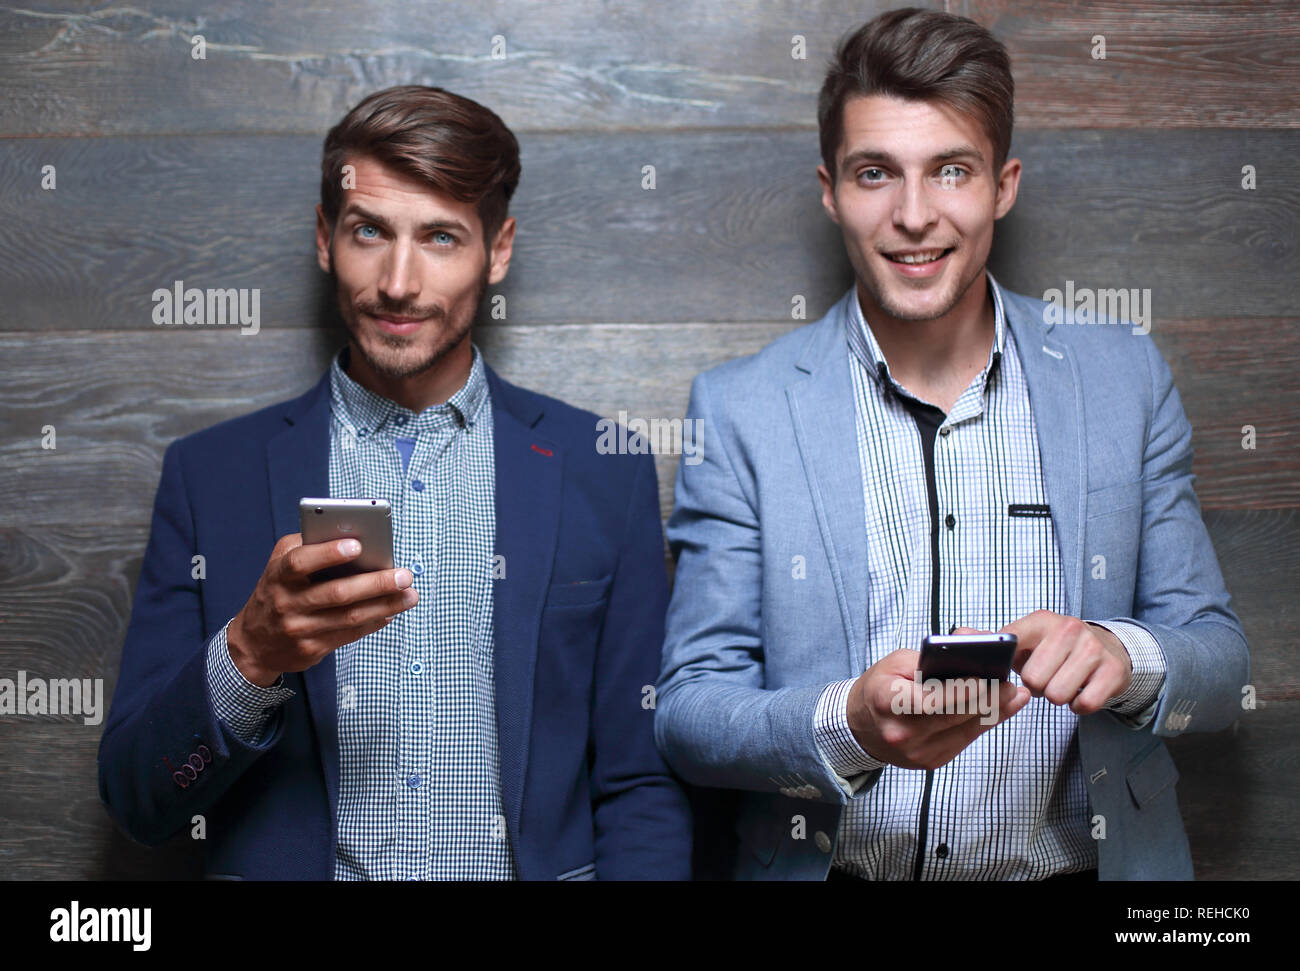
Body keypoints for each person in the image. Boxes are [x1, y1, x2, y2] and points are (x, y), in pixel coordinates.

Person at [654, 8, 1247, 881]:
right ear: (831, 191)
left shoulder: (1123, 377)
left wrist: (1128, 660)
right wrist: (847, 721)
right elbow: (690, 714)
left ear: (1003, 185)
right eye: (875, 174)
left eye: (952, 171)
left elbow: (1224, 668)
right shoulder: (741, 407)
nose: (914, 215)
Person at [98, 85, 690, 880]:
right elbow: (139, 801)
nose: (399, 282)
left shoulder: (602, 468)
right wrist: (249, 653)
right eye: (369, 231)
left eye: (441, 237)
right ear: (323, 237)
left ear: (498, 250)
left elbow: (640, 781)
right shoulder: (210, 477)